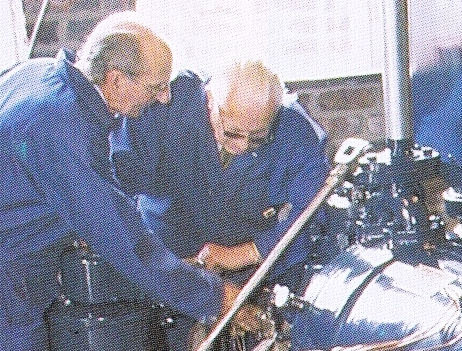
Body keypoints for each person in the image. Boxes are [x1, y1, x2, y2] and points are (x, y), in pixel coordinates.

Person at [0, 13, 234, 351]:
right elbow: (126, 241)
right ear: (117, 79)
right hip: (2, 284)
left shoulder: (39, 75)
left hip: (11, 268)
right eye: (155, 86)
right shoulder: (59, 122)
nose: (162, 99)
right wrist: (212, 296)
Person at [113, 59, 328, 288]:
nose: (244, 146)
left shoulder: (296, 132)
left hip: (254, 274)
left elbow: (313, 213)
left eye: (257, 137)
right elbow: (116, 183)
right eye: (233, 133)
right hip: (168, 263)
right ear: (210, 101)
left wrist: (247, 253)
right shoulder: (164, 104)